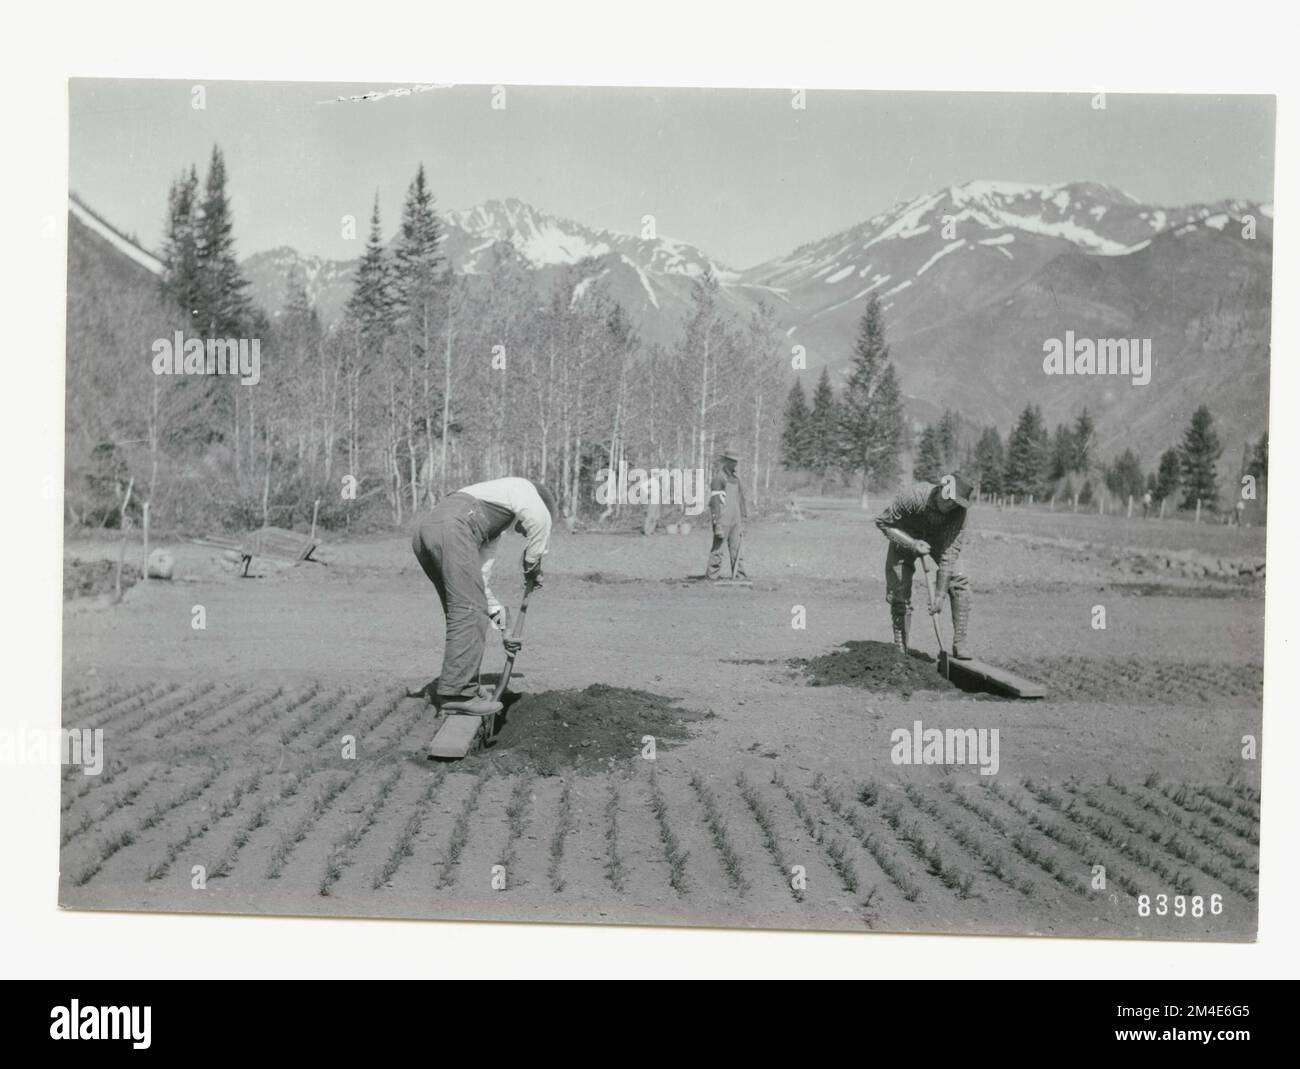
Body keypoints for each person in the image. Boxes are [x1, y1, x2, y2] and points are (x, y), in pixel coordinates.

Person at [411, 477, 555, 715]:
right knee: (468, 609)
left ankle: (464, 686)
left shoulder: (491, 525)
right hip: (452, 528)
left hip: (429, 531)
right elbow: (541, 521)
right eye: (522, 529)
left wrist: (504, 631)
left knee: (465, 607)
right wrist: (532, 565)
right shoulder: (526, 490)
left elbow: (482, 587)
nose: (521, 532)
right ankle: (456, 693)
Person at [874, 473, 974, 659]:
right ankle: (901, 646)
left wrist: (940, 594)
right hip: (904, 535)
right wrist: (912, 543)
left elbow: (950, 553)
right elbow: (884, 523)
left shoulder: (959, 512)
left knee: (960, 581)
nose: (950, 506)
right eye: (949, 499)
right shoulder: (914, 496)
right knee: (899, 590)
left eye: (956, 503)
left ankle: (960, 644)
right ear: (940, 489)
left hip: (939, 540)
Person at [706, 446, 747, 580]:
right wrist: (716, 522)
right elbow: (715, 502)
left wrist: (744, 518)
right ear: (725, 461)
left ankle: (739, 575)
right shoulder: (719, 478)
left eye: (736, 461)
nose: (734, 464)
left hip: (736, 519)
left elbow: (741, 499)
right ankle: (712, 576)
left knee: (737, 549)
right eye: (732, 461)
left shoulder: (736, 479)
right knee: (718, 550)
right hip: (723, 519)